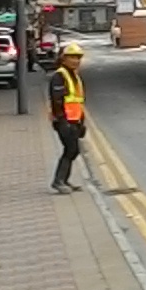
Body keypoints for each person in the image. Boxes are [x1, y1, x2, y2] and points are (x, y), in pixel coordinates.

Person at [48, 41, 87, 194]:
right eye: (72, 57)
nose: (76, 61)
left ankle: (63, 180)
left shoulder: (74, 76)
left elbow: (78, 100)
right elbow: (57, 100)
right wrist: (62, 121)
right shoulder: (59, 76)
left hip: (74, 120)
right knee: (71, 149)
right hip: (64, 121)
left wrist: (81, 122)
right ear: (63, 59)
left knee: (72, 150)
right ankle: (58, 181)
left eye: (78, 58)